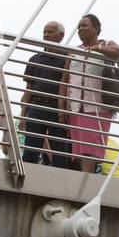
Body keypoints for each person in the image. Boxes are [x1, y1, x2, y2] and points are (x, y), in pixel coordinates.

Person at [62, 13, 119, 173]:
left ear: (96, 28)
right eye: (79, 27)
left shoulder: (106, 44)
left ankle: (87, 175)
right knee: (80, 145)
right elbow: (65, 77)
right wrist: (61, 104)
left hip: (97, 105)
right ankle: (87, 174)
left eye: (85, 26)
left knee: (92, 144)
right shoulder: (73, 51)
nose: (80, 29)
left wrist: (98, 48)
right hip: (75, 105)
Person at [20, 21, 73, 168]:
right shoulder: (35, 59)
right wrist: (23, 114)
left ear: (61, 36)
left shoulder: (67, 58)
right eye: (45, 32)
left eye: (50, 32)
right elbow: (28, 89)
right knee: (31, 149)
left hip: (57, 108)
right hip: (36, 106)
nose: (46, 35)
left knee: (60, 151)